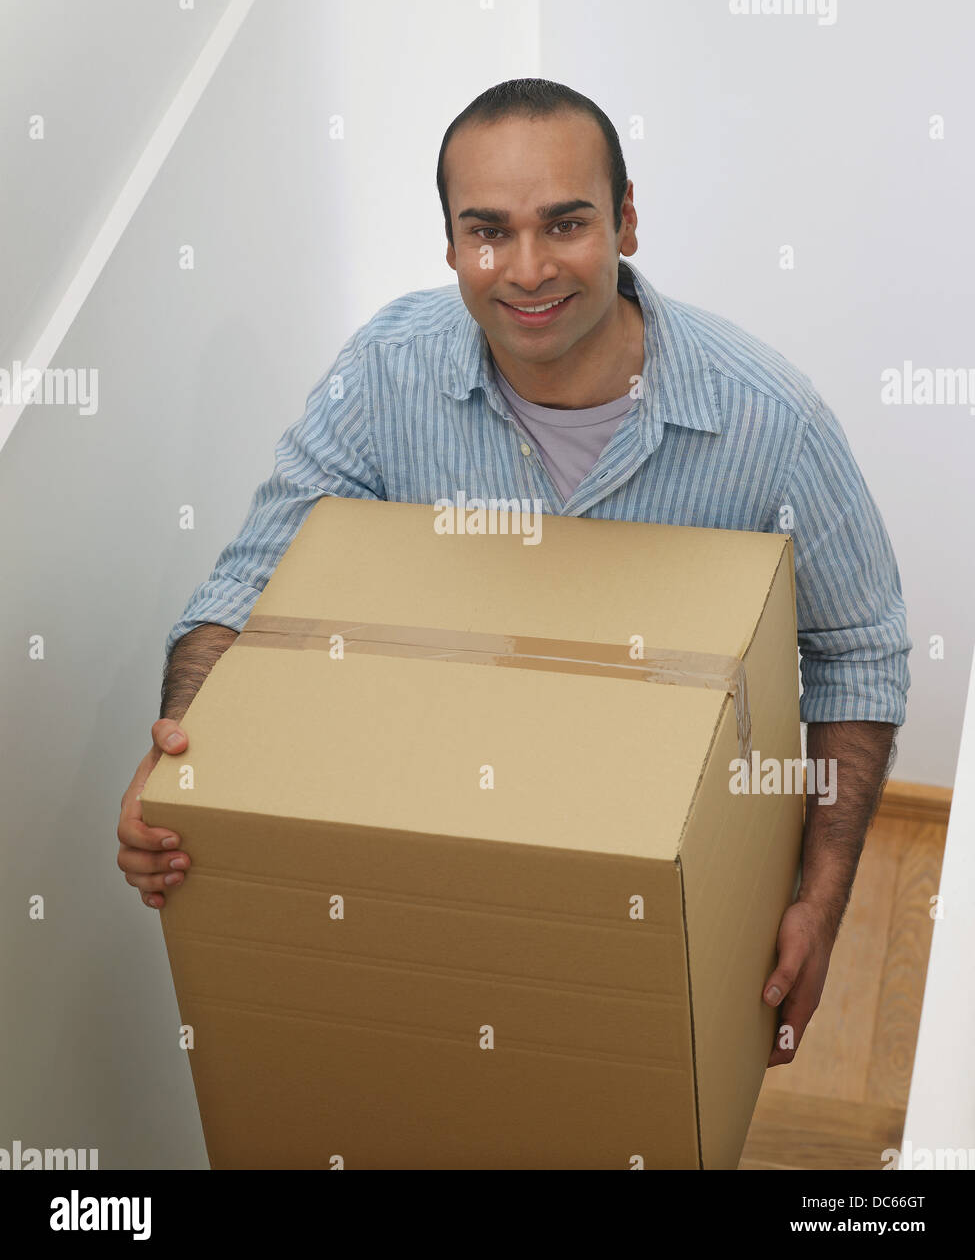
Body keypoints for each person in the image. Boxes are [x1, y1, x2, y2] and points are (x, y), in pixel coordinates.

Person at [118, 78, 910, 1069]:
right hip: (435, 860)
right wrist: (184, 761)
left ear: (626, 220)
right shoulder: (384, 374)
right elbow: (247, 593)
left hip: (668, 883)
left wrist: (818, 898)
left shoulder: (769, 418)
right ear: (450, 243)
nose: (526, 269)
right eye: (487, 231)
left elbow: (858, 650)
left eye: (566, 223)